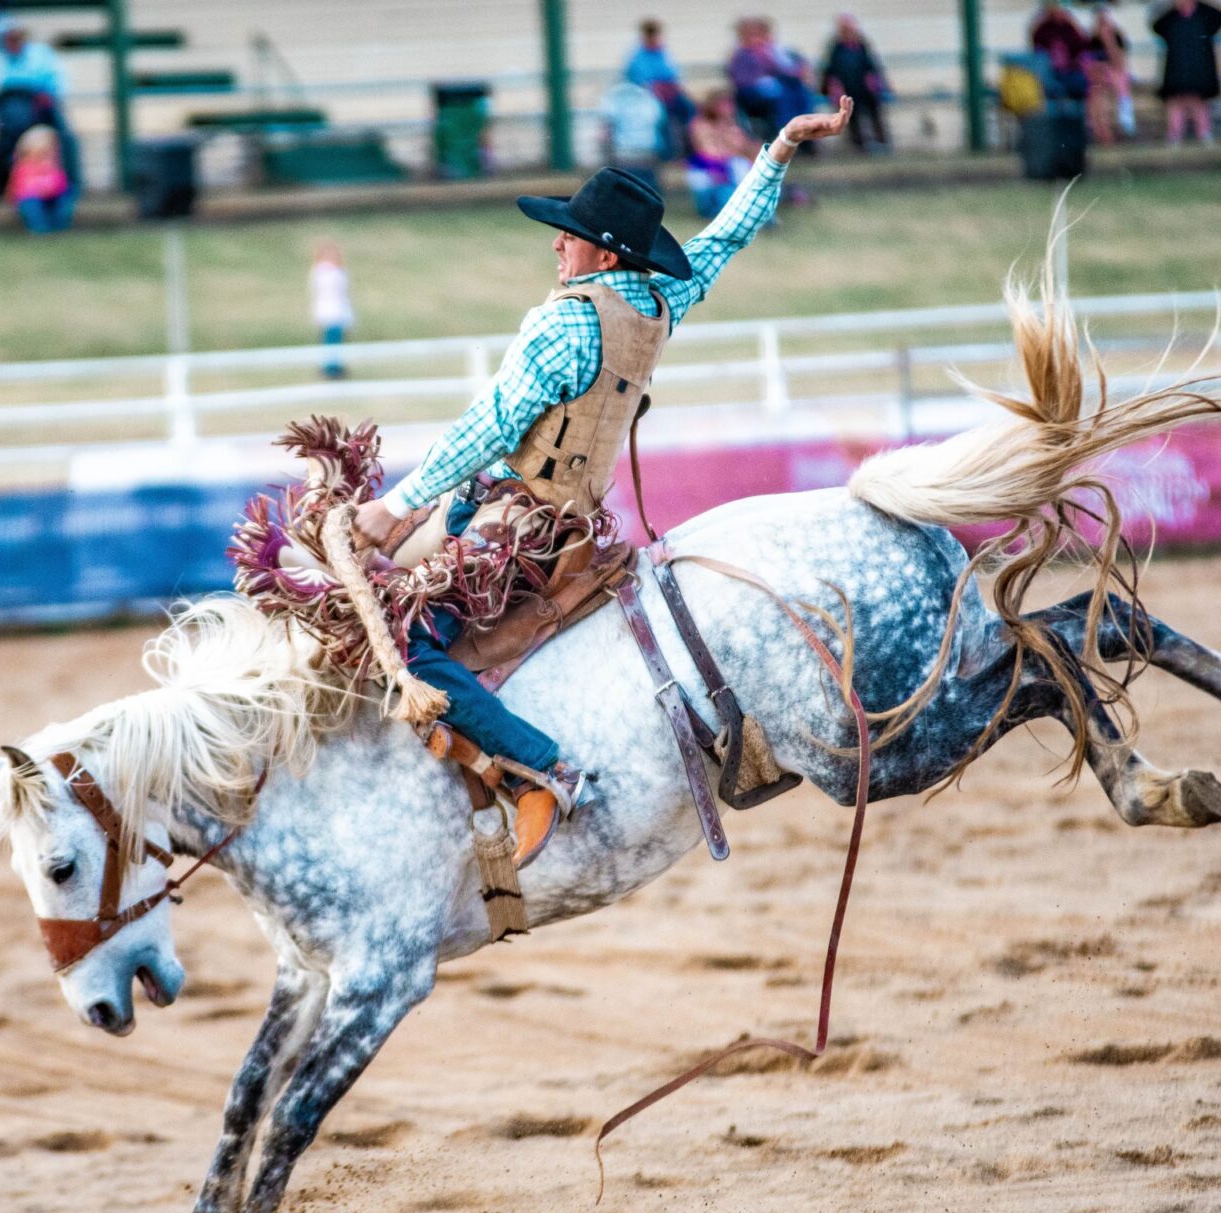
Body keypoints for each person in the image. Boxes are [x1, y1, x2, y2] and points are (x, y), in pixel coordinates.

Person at [348, 97, 856, 864]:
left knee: (410, 646)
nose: (558, 245)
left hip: (510, 531)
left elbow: (491, 426)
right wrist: (780, 148)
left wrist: (395, 504)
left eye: (574, 237)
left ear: (606, 255)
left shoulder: (565, 325)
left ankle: (544, 773)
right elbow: (726, 237)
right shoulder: (658, 302)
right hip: (576, 527)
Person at [0, 16, 76, 192]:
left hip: (42, 107)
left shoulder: (39, 53)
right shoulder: (5, 58)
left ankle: (64, 183)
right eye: (7, 39)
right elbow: (3, 86)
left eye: (14, 37)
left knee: (63, 139)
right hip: (15, 114)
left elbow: (51, 83)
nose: (10, 42)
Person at [1153, 0, 1221, 146]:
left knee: (1198, 102)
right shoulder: (1171, 19)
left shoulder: (1204, 16)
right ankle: (1174, 137)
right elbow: (1157, 26)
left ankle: (1204, 135)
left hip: (1199, 70)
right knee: (1175, 102)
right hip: (1177, 70)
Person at [727, 17, 815, 144]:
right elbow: (741, 81)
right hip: (753, 96)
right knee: (782, 97)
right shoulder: (740, 55)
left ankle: (806, 130)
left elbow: (794, 68)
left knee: (799, 92)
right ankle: (787, 134)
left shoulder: (776, 51)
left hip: (779, 90)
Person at [623, 18, 694, 160]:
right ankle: (667, 154)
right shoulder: (638, 57)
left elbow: (673, 75)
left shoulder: (663, 54)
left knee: (689, 109)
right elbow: (642, 82)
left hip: (669, 93)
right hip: (648, 97)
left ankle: (690, 149)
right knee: (662, 114)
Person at [819, 13, 890, 152]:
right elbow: (830, 71)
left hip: (864, 88)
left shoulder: (861, 45)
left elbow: (871, 67)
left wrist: (877, 83)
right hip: (846, 88)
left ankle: (881, 141)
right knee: (852, 113)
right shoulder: (836, 48)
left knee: (874, 111)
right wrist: (832, 87)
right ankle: (859, 145)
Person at [684, 89, 758, 216]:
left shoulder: (733, 125)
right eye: (724, 104)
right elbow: (709, 153)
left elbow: (749, 149)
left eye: (730, 104)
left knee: (743, 168)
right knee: (731, 183)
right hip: (709, 173)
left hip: (731, 173)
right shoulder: (700, 125)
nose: (729, 108)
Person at [1082, 2, 1136, 144]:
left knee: (1118, 80)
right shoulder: (1090, 41)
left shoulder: (1116, 37)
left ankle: (1123, 124)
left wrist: (1109, 41)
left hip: (1113, 78)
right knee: (1096, 95)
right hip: (1097, 80)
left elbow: (1119, 63)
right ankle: (1099, 130)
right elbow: (1088, 64)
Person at [7, 124, 71, 232]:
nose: (43, 159)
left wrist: (51, 189)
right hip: (32, 199)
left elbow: (61, 184)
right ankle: (40, 228)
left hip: (52, 197)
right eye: (39, 154)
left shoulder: (54, 168)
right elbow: (20, 187)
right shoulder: (24, 169)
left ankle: (59, 226)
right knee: (32, 205)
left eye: (47, 154)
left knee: (64, 201)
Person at [599, 78, 666, 175]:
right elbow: (660, 124)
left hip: (623, 156)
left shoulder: (613, 97)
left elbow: (605, 132)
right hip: (648, 155)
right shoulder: (650, 97)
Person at [1029, 1, 1091, 104]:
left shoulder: (1070, 28)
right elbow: (1034, 41)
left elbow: (1084, 44)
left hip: (1071, 70)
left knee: (1084, 80)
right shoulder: (1044, 29)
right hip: (1050, 72)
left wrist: (1072, 21)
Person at [309, 242, 354, 380]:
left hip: (338, 311)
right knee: (330, 341)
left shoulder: (338, 271)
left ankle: (336, 366)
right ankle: (330, 369)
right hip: (330, 312)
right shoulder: (324, 272)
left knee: (337, 340)